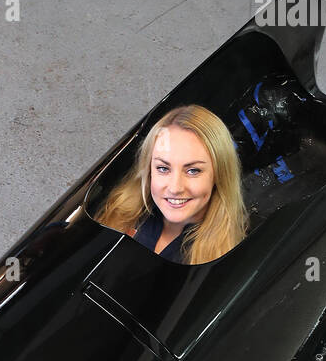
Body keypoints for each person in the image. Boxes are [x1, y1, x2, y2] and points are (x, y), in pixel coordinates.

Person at [94, 104, 248, 264]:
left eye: (193, 171)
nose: (175, 188)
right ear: (148, 169)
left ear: (219, 175)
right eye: (163, 168)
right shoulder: (117, 213)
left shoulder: (229, 260)